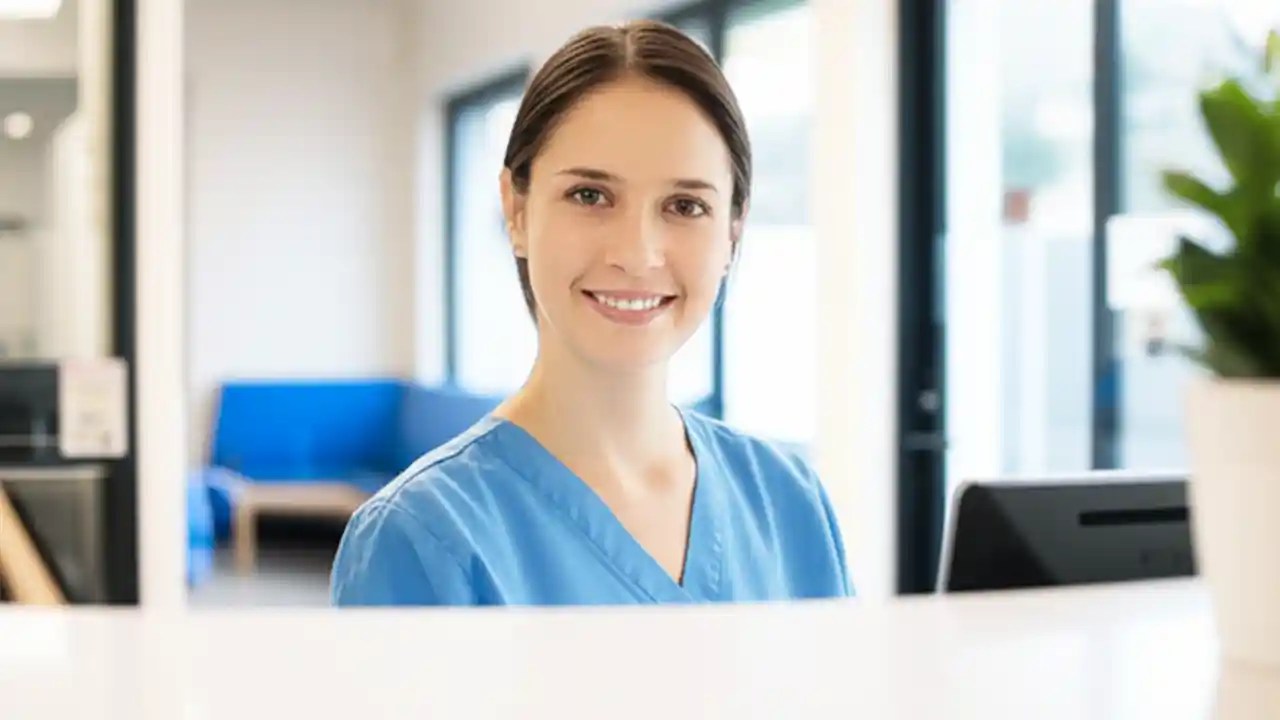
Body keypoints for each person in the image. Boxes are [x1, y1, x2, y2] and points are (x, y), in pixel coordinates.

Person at [330, 20, 851, 606]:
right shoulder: (422, 536)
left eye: (685, 205)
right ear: (517, 210)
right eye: (590, 196)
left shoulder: (790, 504)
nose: (636, 255)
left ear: (733, 231)